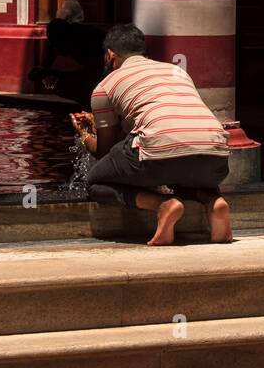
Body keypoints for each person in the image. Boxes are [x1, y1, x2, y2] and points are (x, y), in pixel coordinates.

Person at [72, 23, 233, 246]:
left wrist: (84, 134)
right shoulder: (177, 72)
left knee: (94, 182)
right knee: (181, 160)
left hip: (159, 156)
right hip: (216, 160)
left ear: (110, 55)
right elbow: (162, 117)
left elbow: (105, 151)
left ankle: (163, 205)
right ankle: (213, 201)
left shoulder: (105, 86)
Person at [29, 0, 105, 104]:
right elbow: (49, 57)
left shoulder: (84, 38)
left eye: (59, 46)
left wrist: (49, 72)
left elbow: (89, 73)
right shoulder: (61, 36)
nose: (59, 50)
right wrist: (43, 70)